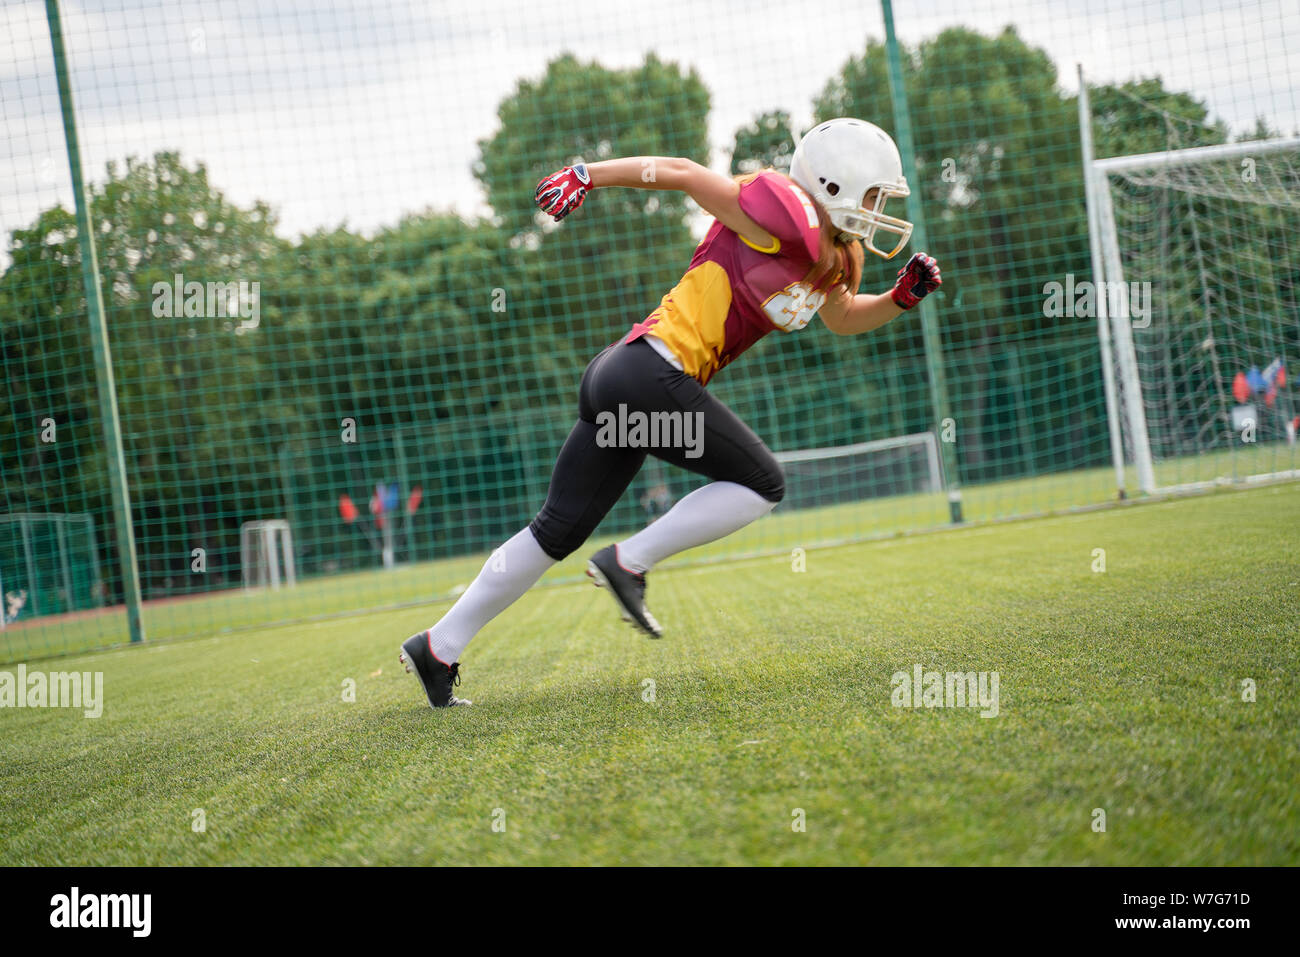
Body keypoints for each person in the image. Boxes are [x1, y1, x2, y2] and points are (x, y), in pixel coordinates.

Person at [400, 118, 942, 707]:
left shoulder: (831, 255)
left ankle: (438, 647)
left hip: (626, 379)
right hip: (650, 374)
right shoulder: (782, 212)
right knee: (762, 483)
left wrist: (898, 299)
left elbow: (840, 318)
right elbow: (685, 175)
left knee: (557, 529)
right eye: (872, 193)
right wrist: (588, 174)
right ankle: (628, 563)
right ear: (836, 182)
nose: (877, 207)